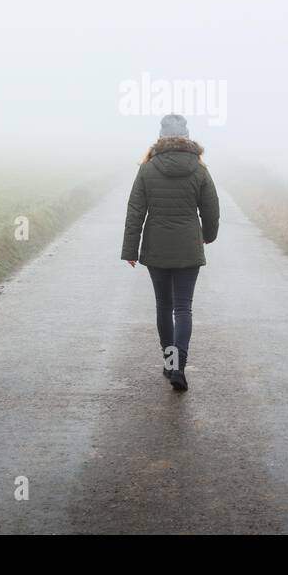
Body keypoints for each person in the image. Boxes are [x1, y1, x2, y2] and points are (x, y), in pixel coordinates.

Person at [121, 113, 220, 391]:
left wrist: (130, 248)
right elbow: (212, 210)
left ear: (161, 136)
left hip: (157, 247)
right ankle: (179, 366)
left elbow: (135, 210)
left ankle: (170, 361)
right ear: (187, 136)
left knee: (164, 306)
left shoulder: (147, 168)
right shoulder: (200, 169)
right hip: (189, 247)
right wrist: (208, 236)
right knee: (183, 307)